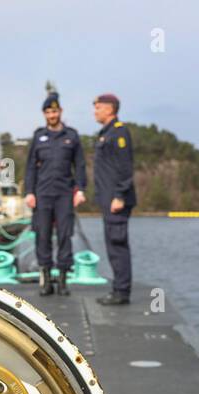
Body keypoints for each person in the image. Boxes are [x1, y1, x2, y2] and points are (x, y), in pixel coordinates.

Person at [24, 93, 86, 296]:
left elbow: (81, 166)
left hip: (64, 194)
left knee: (65, 236)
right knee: (42, 235)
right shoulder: (39, 136)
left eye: (55, 111)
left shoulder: (72, 136)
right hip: (42, 194)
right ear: (44, 114)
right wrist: (29, 192)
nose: (52, 115)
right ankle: (46, 279)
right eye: (48, 112)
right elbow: (30, 167)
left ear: (60, 112)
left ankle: (62, 280)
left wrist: (80, 190)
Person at [91, 93, 136, 305]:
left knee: (117, 246)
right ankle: (119, 288)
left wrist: (119, 195)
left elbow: (125, 168)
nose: (95, 111)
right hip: (108, 200)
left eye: (98, 107)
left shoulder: (119, 133)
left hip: (116, 202)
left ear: (110, 109)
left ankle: (121, 292)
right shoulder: (106, 133)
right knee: (112, 245)